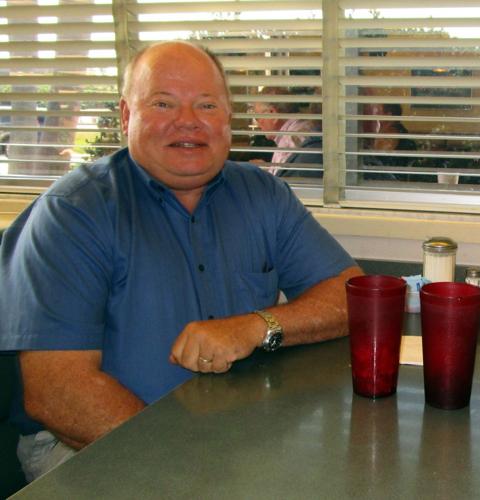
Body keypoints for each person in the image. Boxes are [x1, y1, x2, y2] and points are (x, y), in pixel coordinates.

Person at [0, 41, 362, 482]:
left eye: (206, 104)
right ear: (126, 116)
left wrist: (257, 325)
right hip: (91, 444)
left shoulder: (263, 195)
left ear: (228, 118)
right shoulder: (73, 213)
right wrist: (189, 463)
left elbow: (351, 297)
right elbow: (57, 392)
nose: (187, 121)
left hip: (238, 432)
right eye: (163, 103)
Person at [250, 86, 322, 176]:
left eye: (257, 118)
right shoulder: (296, 131)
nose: (257, 124)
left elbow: (290, 183)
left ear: (272, 114)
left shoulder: (293, 138)